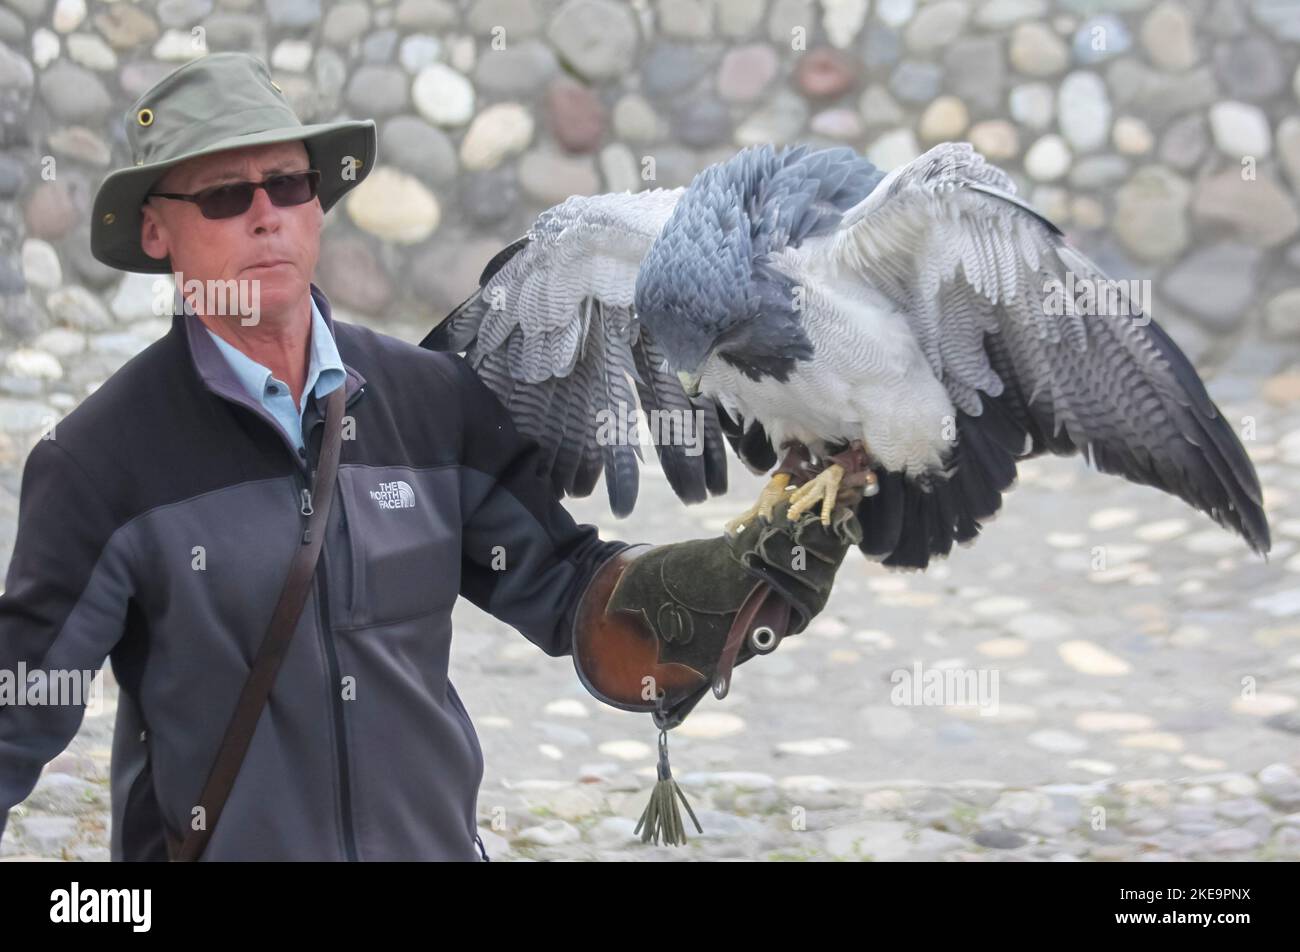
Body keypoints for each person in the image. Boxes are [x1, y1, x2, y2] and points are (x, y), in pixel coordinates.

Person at [0, 53, 862, 861]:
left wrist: (725, 594)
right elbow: (17, 718)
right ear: (156, 232)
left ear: (316, 204)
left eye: (289, 184)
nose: (266, 214)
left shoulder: (429, 400)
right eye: (224, 196)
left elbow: (567, 590)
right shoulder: (99, 461)